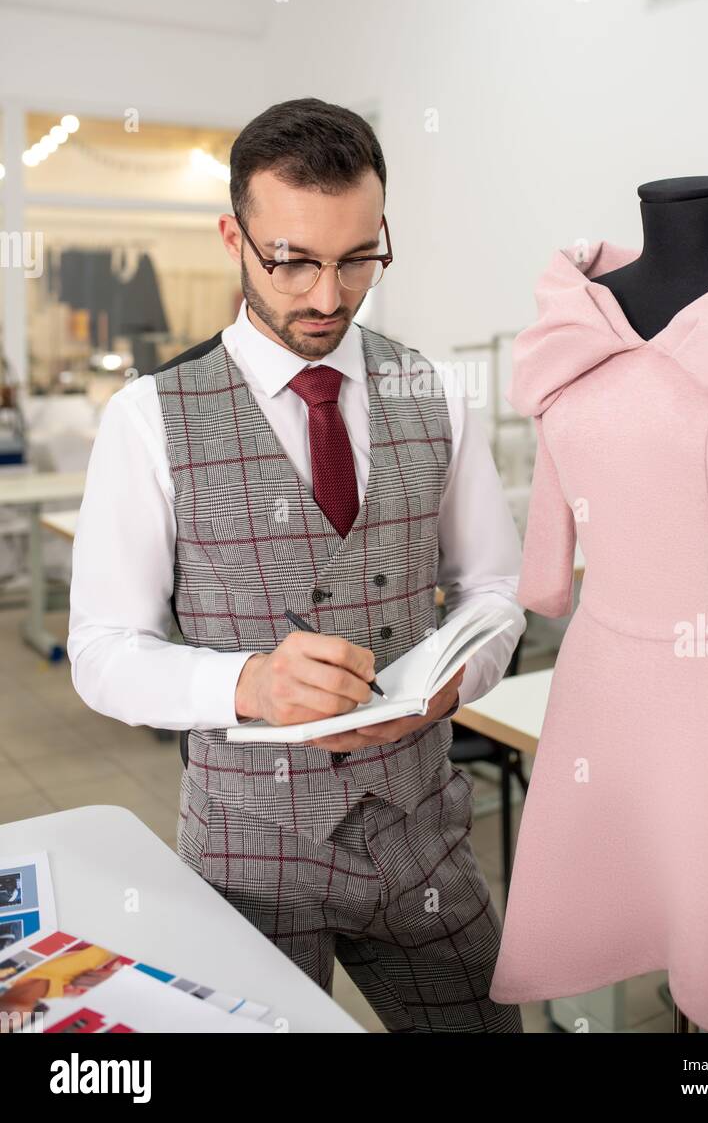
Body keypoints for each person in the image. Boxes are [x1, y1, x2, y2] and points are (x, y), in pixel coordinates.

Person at [68, 97, 526, 1033]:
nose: (327, 296)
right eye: (294, 261)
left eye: (359, 259)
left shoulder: (432, 390)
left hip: (425, 838)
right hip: (248, 852)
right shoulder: (147, 417)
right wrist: (247, 684)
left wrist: (451, 682)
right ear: (234, 236)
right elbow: (102, 649)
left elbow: (496, 592)